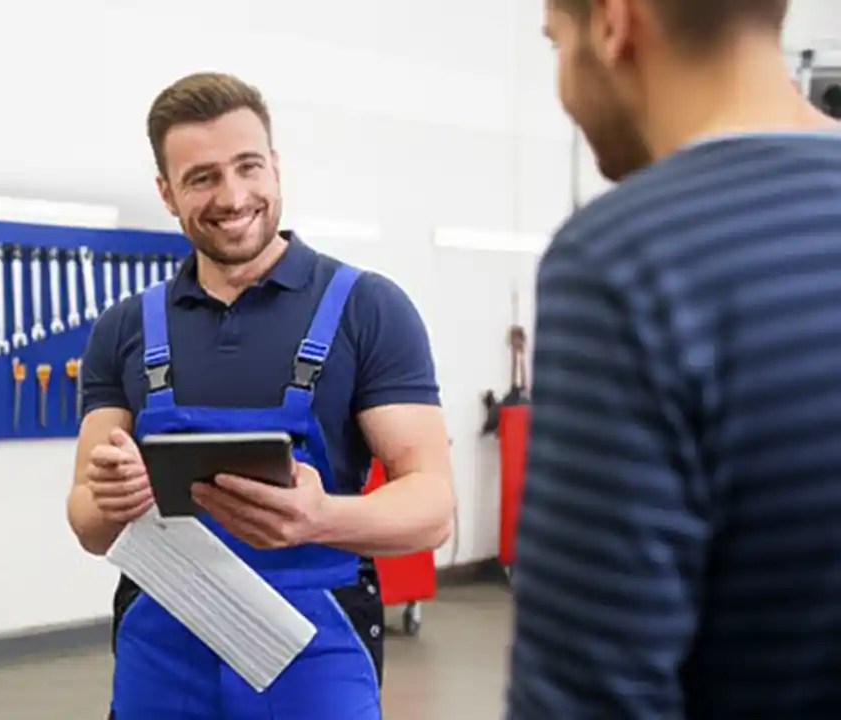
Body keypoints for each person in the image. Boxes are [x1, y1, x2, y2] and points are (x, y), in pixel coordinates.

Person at [66, 72, 456, 719]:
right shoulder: (127, 327)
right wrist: (110, 498)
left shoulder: (369, 309)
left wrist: (320, 518)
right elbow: (86, 519)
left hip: (313, 641)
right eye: (202, 178)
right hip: (163, 638)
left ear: (275, 167)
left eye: (248, 166)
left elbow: (434, 506)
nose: (233, 195)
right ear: (166, 193)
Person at [509, 1, 841, 718]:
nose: (563, 83)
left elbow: (590, 696)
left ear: (612, 24)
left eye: (556, 44)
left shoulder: (629, 261)